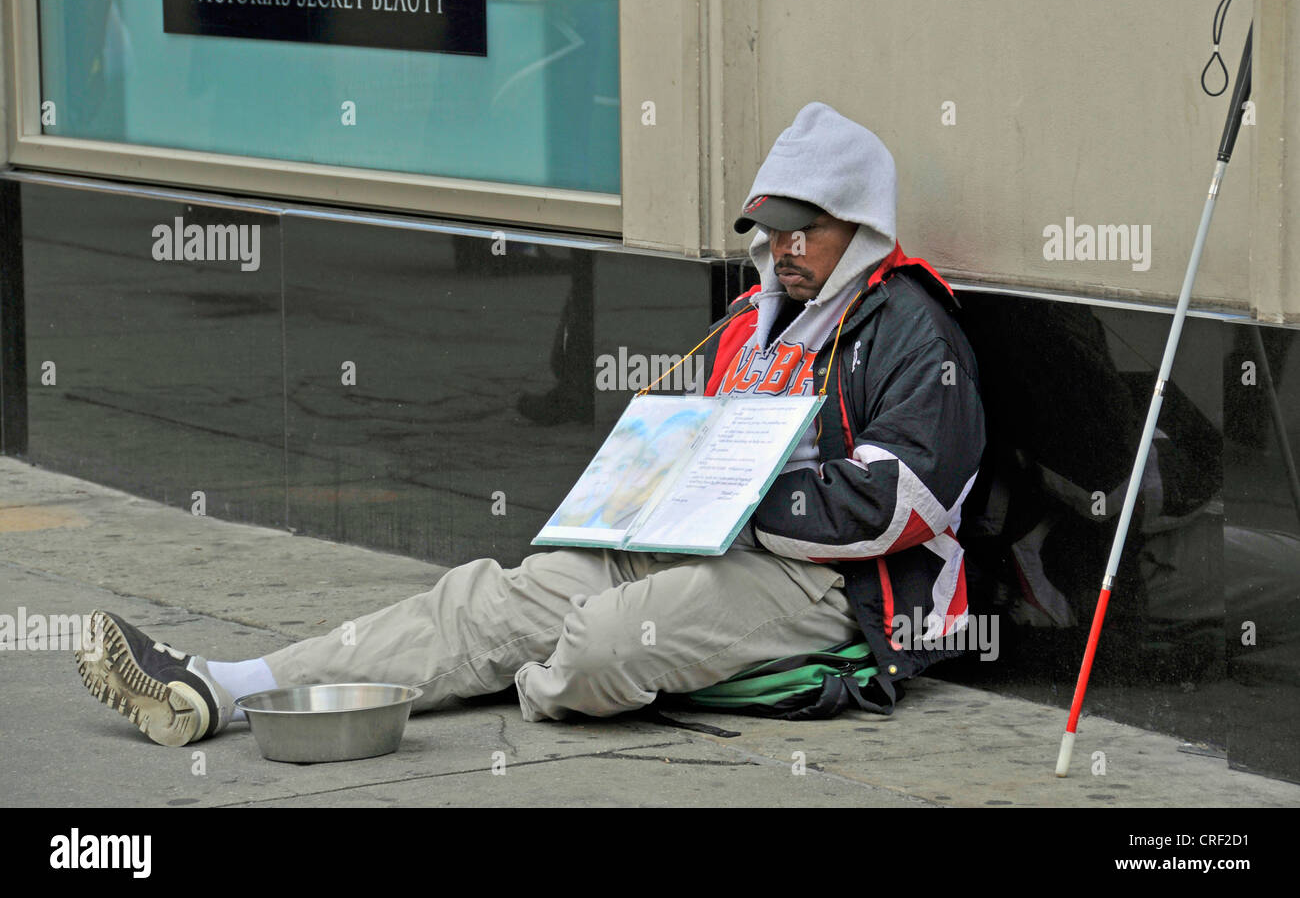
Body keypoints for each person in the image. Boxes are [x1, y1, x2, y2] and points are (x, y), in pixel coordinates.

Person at [74, 101, 986, 746]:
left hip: (831, 587)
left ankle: (506, 674)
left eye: (806, 231)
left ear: (859, 227)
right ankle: (226, 688)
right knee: (481, 603)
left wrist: (740, 494)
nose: (784, 250)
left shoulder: (911, 325)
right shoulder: (751, 319)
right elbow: (700, 439)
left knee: (601, 645)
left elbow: (901, 500)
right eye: (773, 230)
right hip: (700, 538)